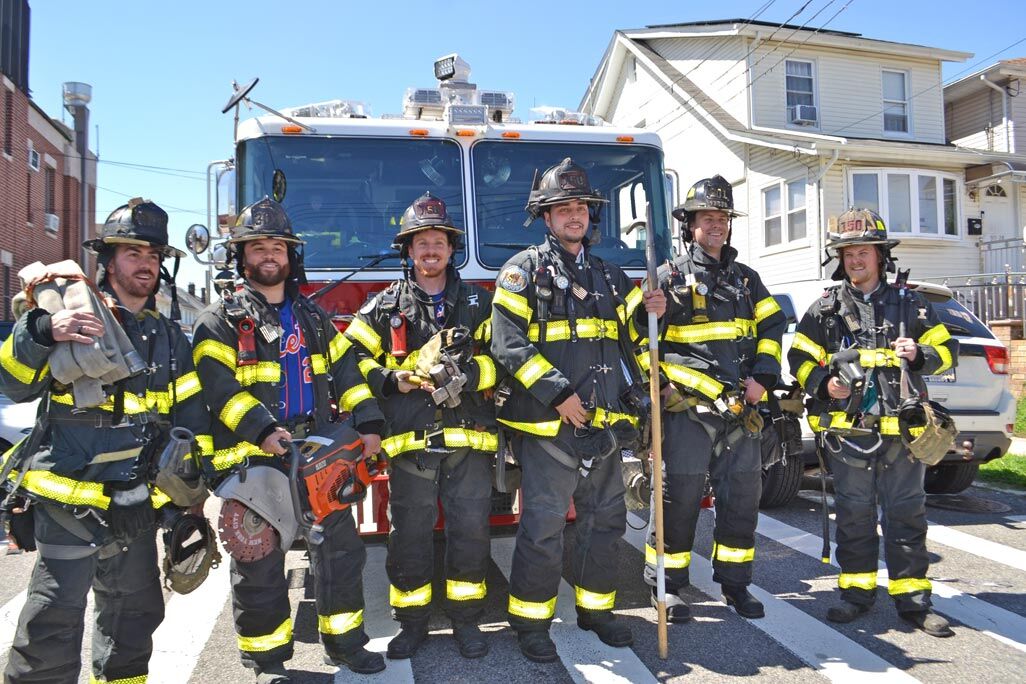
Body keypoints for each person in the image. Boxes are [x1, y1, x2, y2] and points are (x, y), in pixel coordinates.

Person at [0, 199, 208, 683]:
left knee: (132, 621)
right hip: (70, 503)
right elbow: (13, 384)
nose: (146, 264)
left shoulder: (169, 339)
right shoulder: (71, 320)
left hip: (134, 506)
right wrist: (41, 332)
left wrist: (188, 501)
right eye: (133, 253)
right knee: (52, 620)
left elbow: (187, 424)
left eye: (154, 255)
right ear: (108, 261)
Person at [191, 198, 386, 682]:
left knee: (341, 555)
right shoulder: (219, 322)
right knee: (259, 567)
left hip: (320, 457)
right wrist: (262, 430)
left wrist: (369, 423)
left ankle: (346, 645)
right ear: (242, 257)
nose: (268, 255)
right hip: (256, 462)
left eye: (276, 246)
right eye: (257, 246)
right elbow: (219, 390)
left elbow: (347, 372)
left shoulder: (314, 317)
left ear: (290, 255)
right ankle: (267, 659)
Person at [489, 158, 665, 663]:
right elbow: (508, 344)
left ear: (590, 215)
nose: (574, 216)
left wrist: (650, 310)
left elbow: (627, 341)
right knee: (543, 527)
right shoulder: (521, 272)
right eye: (562, 208)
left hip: (604, 424)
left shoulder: (610, 276)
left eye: (580, 208)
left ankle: (596, 610)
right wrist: (558, 394)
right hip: (552, 424)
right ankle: (530, 622)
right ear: (546, 217)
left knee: (604, 521)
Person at [787, 207, 956, 638]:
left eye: (863, 252)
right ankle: (856, 595)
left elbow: (947, 352)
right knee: (854, 518)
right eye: (847, 254)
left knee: (906, 517)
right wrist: (825, 385)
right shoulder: (825, 309)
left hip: (903, 435)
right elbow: (799, 358)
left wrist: (919, 355)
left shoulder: (912, 305)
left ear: (880, 255)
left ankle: (914, 602)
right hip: (850, 435)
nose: (855, 261)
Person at [345, 192, 497, 660]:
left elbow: (506, 361)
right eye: (421, 243)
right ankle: (411, 625)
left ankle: (467, 623)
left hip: (469, 440)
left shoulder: (479, 302)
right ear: (408, 251)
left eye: (439, 242)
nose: (430, 250)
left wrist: (470, 375)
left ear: (452, 249)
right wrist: (393, 379)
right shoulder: (383, 306)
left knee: (471, 533)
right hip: (411, 444)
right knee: (408, 534)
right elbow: (349, 361)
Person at [641, 175, 785, 623]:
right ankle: (669, 586)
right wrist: (659, 385)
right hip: (687, 412)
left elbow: (772, 329)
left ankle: (736, 586)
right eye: (708, 218)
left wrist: (763, 376)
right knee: (677, 501)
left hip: (741, 413)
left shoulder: (747, 279)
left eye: (722, 218)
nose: (716, 225)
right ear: (690, 225)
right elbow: (634, 340)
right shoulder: (665, 279)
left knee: (741, 500)